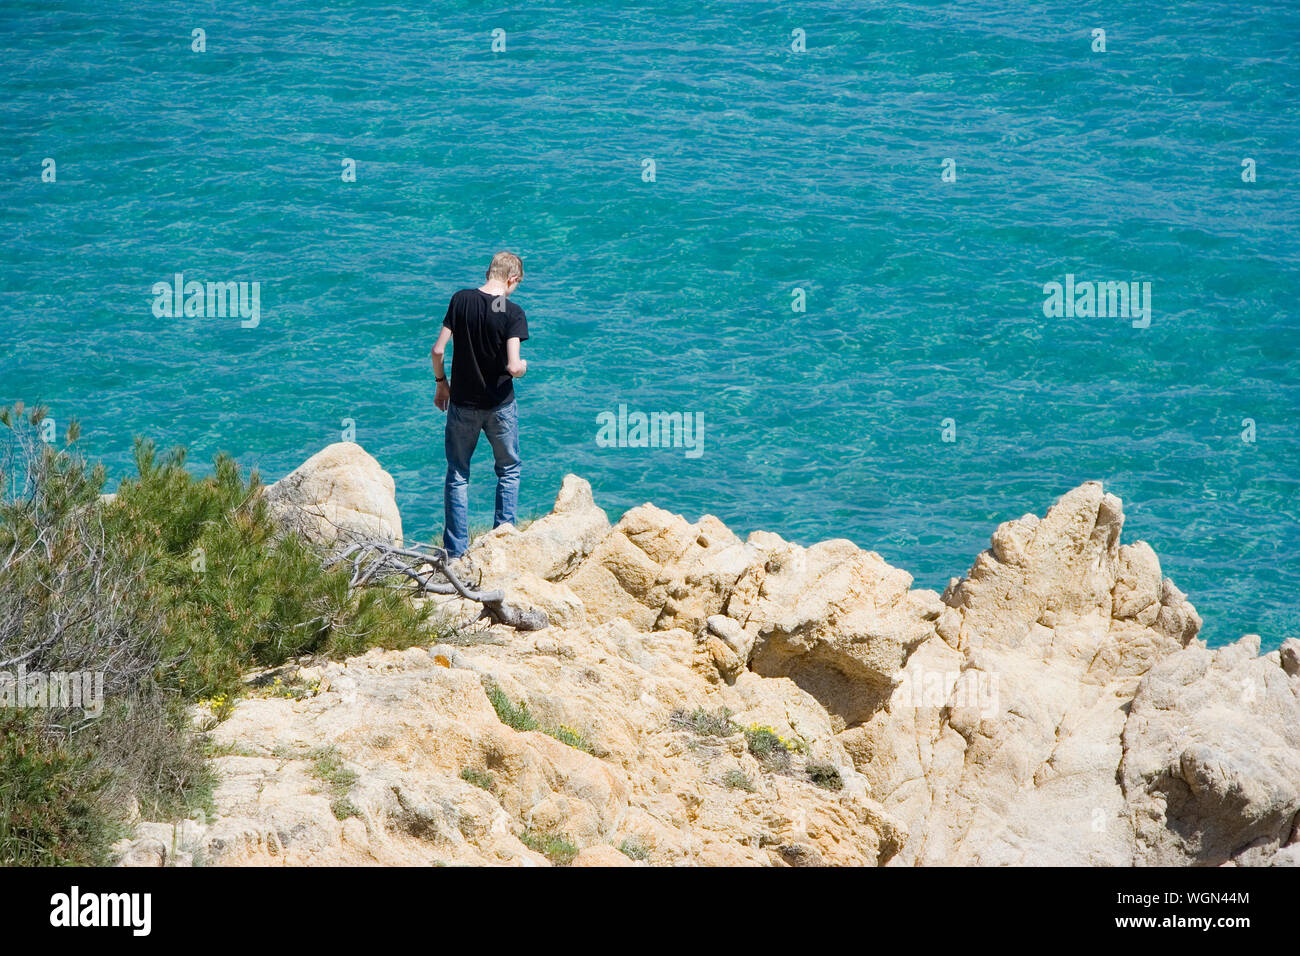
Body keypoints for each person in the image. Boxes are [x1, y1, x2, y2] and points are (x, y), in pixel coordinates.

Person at [431, 251, 529, 559]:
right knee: (509, 470)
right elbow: (513, 367)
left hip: (462, 404)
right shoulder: (511, 312)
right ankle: (503, 543)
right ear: (512, 279)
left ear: (489, 272)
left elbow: (437, 350)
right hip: (500, 405)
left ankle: (456, 552)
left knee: (458, 474)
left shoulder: (460, 300)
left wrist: (441, 384)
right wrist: (523, 366)